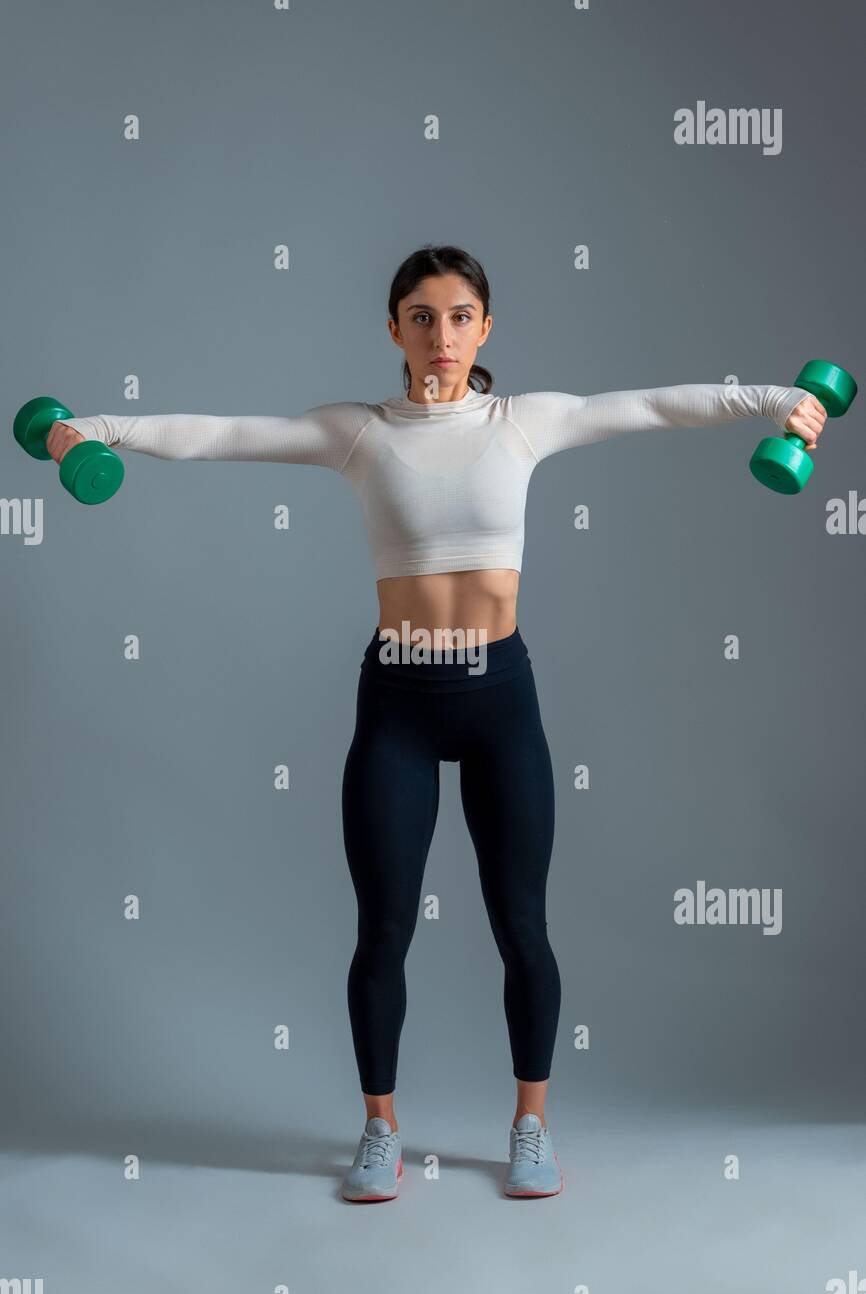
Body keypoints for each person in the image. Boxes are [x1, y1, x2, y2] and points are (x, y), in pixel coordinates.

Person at [46, 244, 826, 1201]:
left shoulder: (524, 423)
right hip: (400, 708)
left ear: (485, 328)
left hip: (501, 699)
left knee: (523, 930)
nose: (442, 336)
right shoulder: (358, 434)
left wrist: (779, 403)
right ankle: (380, 1132)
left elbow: (656, 404)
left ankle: (530, 1126)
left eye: (460, 317)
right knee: (383, 933)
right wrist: (87, 430)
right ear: (394, 330)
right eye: (421, 316)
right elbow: (219, 434)